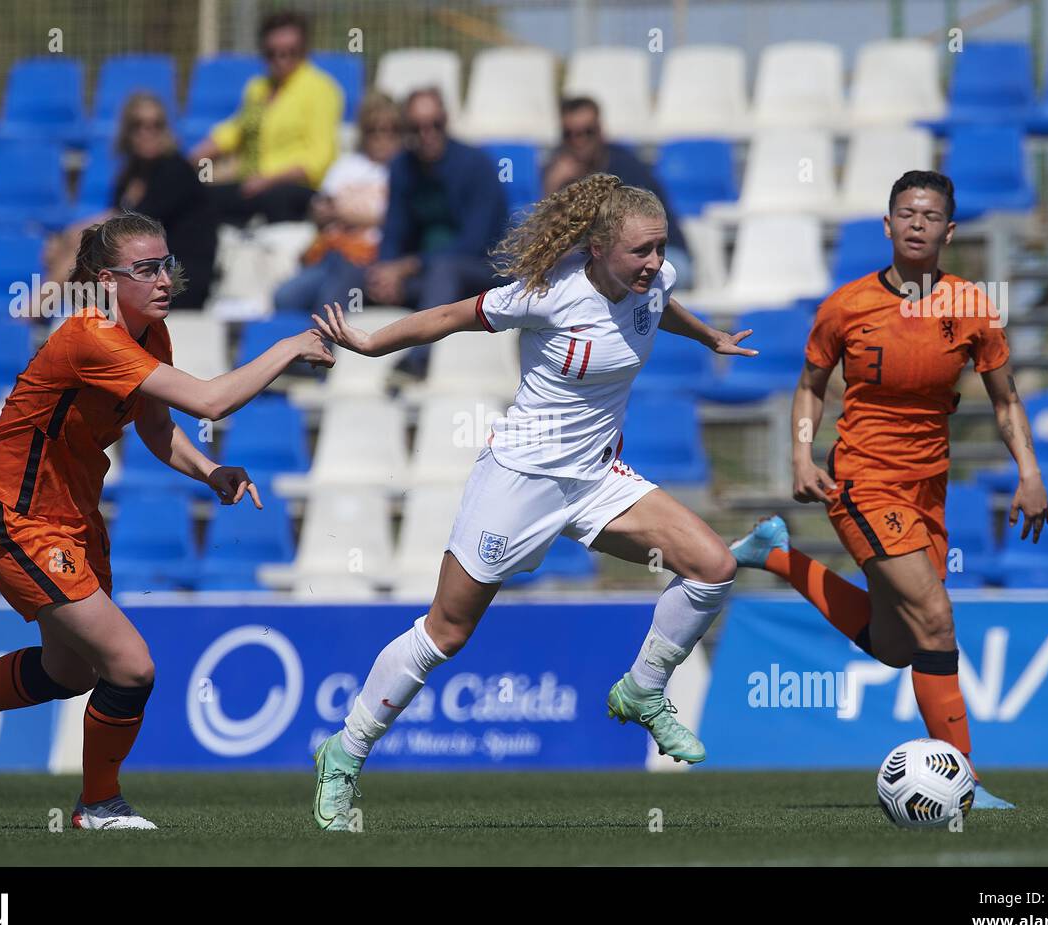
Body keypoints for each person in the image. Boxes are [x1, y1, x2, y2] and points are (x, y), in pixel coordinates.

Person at [306, 174, 758, 831]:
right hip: (519, 480)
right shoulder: (549, 293)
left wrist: (710, 336)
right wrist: (373, 345)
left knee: (713, 566)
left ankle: (642, 690)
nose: (656, 263)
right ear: (599, 247)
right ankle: (343, 753)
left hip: (596, 478)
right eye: (642, 251)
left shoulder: (652, 285)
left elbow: (664, 306)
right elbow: (448, 315)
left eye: (661, 249)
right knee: (446, 633)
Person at [0, 211, 333, 829]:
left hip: (73, 517)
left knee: (70, 673)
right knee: (131, 667)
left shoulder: (149, 330)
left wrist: (209, 471)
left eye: (165, 264)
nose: (163, 279)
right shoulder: (92, 335)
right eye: (145, 269)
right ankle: (96, 805)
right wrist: (286, 346)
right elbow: (210, 400)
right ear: (104, 279)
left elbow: (155, 425)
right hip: (18, 514)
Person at [728, 170, 1048, 810]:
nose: (917, 223)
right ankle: (967, 781)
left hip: (929, 489)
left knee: (896, 646)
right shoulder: (845, 306)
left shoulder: (971, 308)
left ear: (949, 231)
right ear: (887, 224)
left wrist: (1031, 472)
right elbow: (811, 386)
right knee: (934, 620)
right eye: (906, 212)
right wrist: (800, 452)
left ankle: (775, 555)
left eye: (930, 215)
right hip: (863, 481)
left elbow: (1005, 397)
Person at [46, 92, 218, 310]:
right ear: (127, 131)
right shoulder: (130, 175)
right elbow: (117, 218)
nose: (148, 132)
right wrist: (65, 239)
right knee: (63, 249)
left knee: (80, 247)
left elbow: (130, 227)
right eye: (139, 125)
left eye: (157, 125)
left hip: (174, 279)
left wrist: (72, 236)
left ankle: (33, 314)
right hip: (140, 271)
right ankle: (48, 318)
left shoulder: (176, 171)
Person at [189, 9, 342, 226]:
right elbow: (233, 132)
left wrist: (268, 180)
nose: (281, 60)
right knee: (195, 196)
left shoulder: (321, 89)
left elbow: (318, 159)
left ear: (304, 50)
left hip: (294, 188)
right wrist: (189, 160)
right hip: (252, 184)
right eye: (272, 53)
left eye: (291, 52)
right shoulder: (258, 88)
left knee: (273, 198)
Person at [365, 87, 508, 315]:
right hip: (421, 277)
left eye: (435, 125)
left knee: (444, 270)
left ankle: (420, 351)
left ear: (445, 121)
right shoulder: (402, 167)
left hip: (478, 274)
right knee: (350, 272)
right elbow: (393, 230)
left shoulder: (476, 165)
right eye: (416, 128)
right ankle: (320, 344)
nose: (427, 134)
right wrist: (386, 272)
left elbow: (474, 244)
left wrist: (409, 266)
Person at [271, 92, 402, 313]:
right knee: (285, 297)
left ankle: (325, 346)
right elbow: (319, 209)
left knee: (329, 302)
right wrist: (321, 212)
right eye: (373, 130)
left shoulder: (402, 171)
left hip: (368, 260)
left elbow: (397, 218)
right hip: (330, 253)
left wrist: (346, 215)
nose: (381, 138)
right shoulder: (346, 165)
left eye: (390, 130)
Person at [544, 96, 693, 289]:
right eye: (569, 134)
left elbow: (632, 240)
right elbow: (546, 245)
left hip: (663, 255)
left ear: (601, 132)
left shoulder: (627, 168)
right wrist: (552, 189)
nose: (578, 141)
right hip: (605, 259)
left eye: (587, 132)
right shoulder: (556, 170)